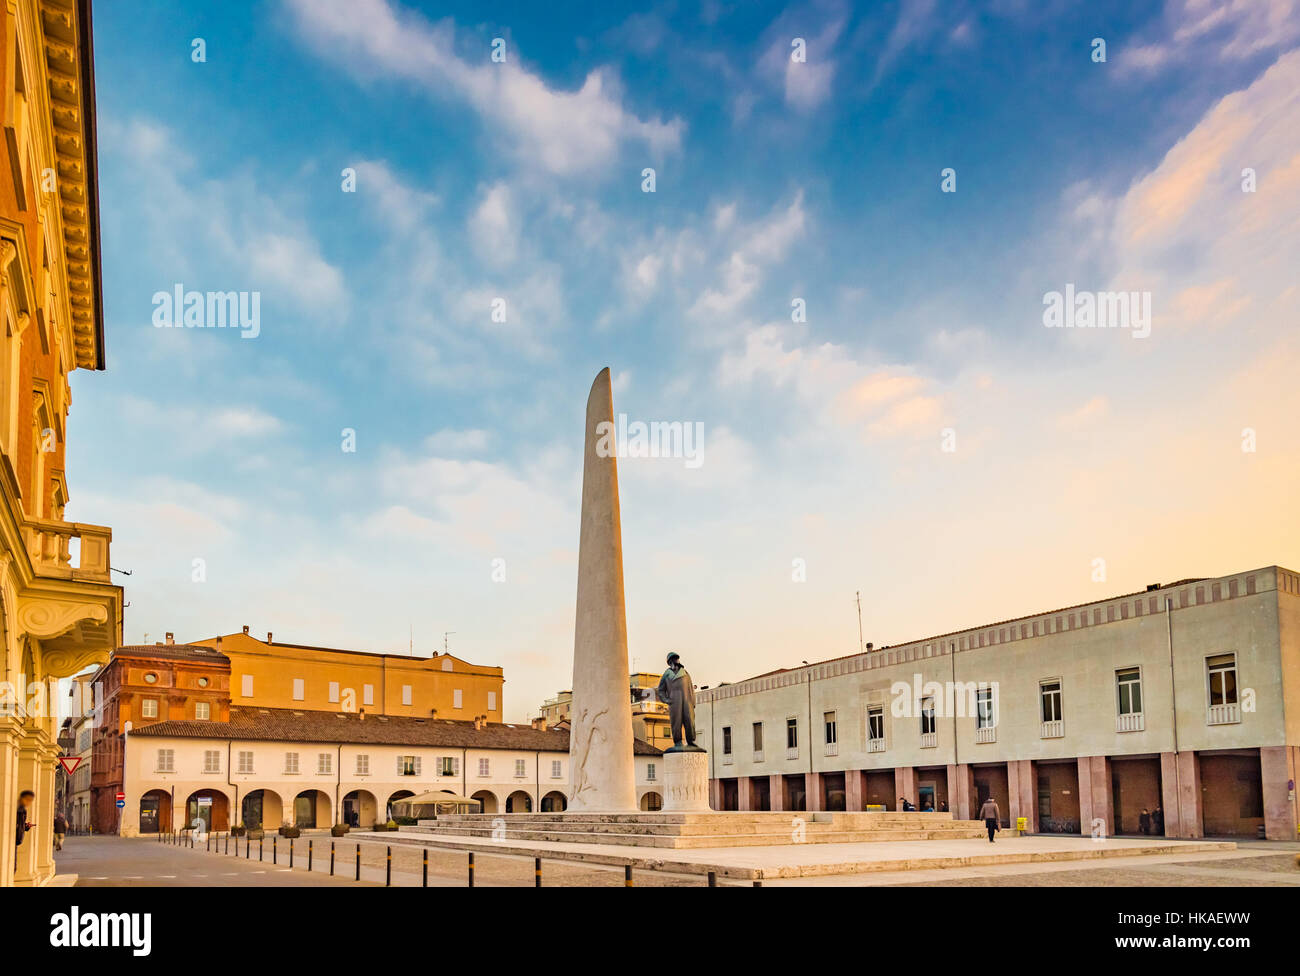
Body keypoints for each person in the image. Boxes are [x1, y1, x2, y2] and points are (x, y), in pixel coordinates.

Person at [656, 652, 698, 750]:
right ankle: (678, 741)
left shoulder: (685, 673)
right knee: (676, 721)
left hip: (687, 700)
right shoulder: (666, 674)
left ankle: (691, 741)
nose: (676, 661)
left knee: (689, 720)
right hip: (674, 701)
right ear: (670, 662)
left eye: (677, 659)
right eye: (674, 659)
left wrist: (693, 702)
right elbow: (660, 690)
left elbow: (691, 688)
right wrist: (667, 700)